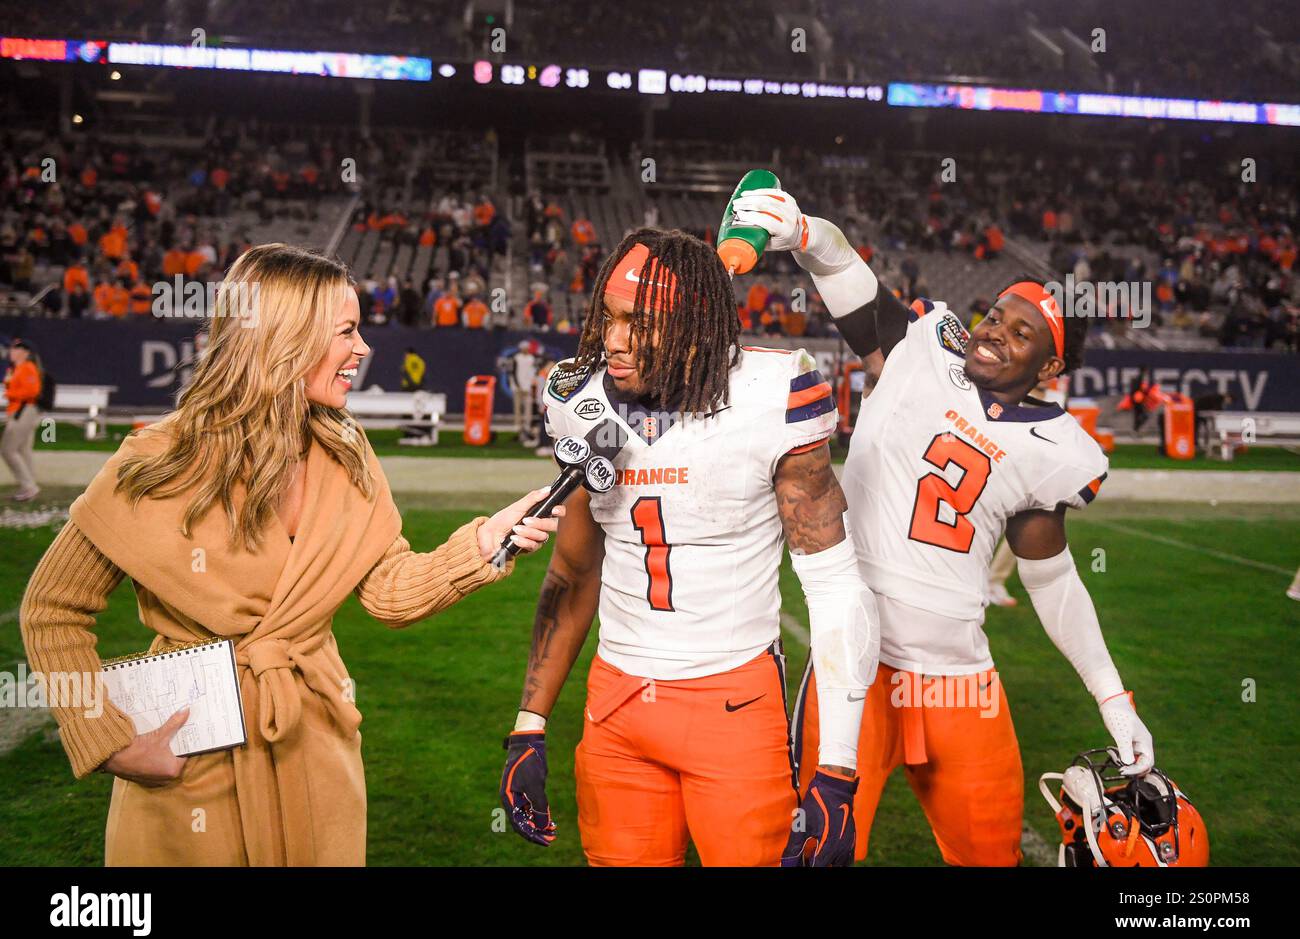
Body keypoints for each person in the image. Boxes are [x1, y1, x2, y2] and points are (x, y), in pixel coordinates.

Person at [20, 244, 562, 866]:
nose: (363, 349)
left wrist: (482, 546)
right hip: (186, 760)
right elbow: (52, 609)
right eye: (347, 331)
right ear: (286, 336)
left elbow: (386, 592)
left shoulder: (349, 454)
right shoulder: (157, 460)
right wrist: (107, 740)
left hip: (315, 752)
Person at [732, 189, 1155, 867]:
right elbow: (849, 278)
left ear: (1051, 368)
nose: (993, 332)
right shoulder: (923, 346)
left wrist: (1112, 697)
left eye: (1021, 334)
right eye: (997, 316)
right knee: (815, 853)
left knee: (992, 856)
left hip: (960, 677)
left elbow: (1051, 580)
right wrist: (808, 232)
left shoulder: (1056, 448)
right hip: (856, 670)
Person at [498, 229, 878, 867]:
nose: (612, 341)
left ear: (695, 327)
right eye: (607, 318)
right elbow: (572, 570)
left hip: (732, 705)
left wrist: (837, 770)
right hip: (616, 706)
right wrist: (529, 723)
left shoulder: (771, 392)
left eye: (637, 323)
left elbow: (835, 584)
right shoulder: (578, 397)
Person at [2, 337, 43, 501]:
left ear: (25, 352)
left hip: (24, 410)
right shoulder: (17, 368)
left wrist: (9, 393)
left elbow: (32, 391)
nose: (11, 352)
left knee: (8, 450)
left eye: (15, 349)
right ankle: (30, 486)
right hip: (20, 410)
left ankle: (29, 487)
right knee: (23, 450)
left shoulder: (27, 367)